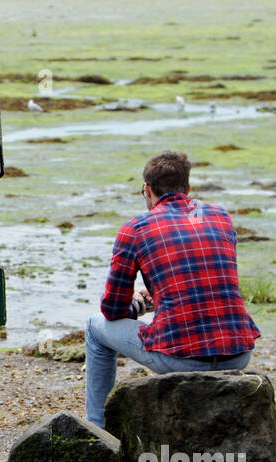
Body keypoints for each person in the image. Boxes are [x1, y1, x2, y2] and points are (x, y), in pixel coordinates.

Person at [85, 151, 260, 428]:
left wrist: (135, 306)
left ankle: (96, 428)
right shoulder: (221, 216)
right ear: (188, 189)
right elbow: (206, 279)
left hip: (181, 358)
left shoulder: (135, 228)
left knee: (95, 328)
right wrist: (159, 295)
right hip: (238, 354)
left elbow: (112, 308)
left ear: (147, 190)